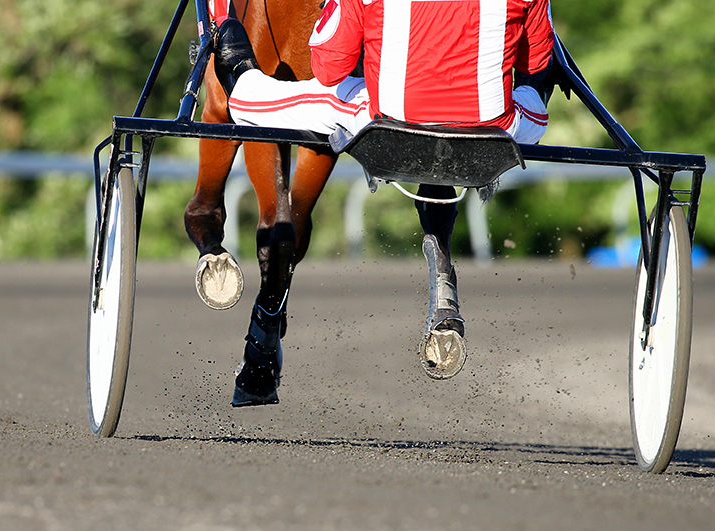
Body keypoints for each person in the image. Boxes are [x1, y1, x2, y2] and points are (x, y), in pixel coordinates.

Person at [213, 0, 556, 381]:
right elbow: (537, 61)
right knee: (533, 97)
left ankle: (241, 79)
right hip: (493, 133)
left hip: (389, 123)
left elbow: (329, 68)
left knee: (252, 101)